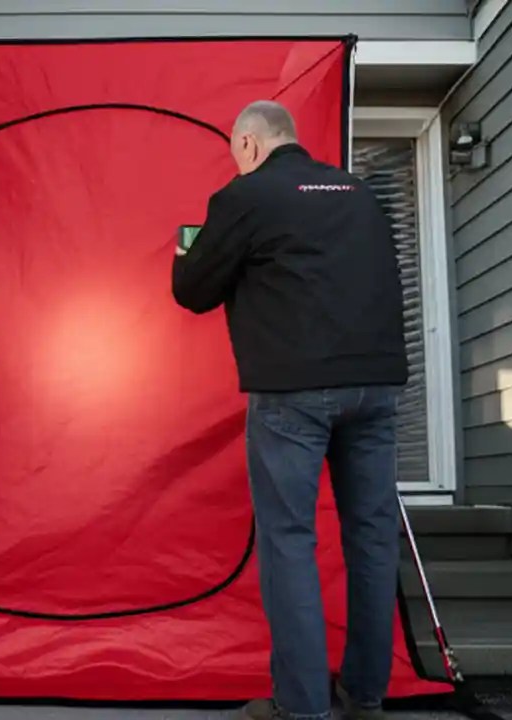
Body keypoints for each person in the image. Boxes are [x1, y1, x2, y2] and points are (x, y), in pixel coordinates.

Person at [172, 100, 409, 720]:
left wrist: (183, 249)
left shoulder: (246, 197)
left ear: (249, 145)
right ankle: (364, 696)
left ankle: (302, 708)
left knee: (290, 541)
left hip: (295, 395)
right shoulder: (360, 193)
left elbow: (192, 290)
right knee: (373, 538)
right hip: (377, 389)